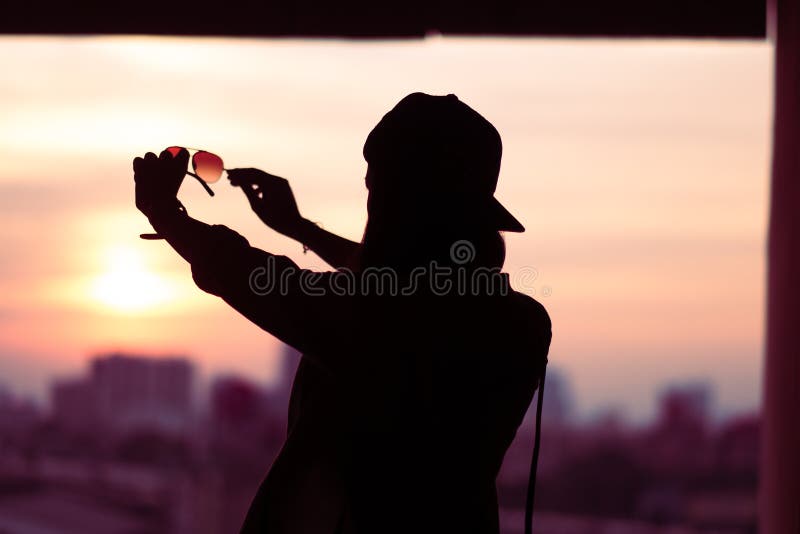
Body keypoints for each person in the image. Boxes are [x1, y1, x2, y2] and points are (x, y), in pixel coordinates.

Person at [133, 92, 551, 534]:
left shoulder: (384, 322)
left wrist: (168, 216)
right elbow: (402, 286)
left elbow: (272, 282)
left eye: (376, 191)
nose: (370, 205)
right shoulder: (521, 322)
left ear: (401, 207)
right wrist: (298, 227)